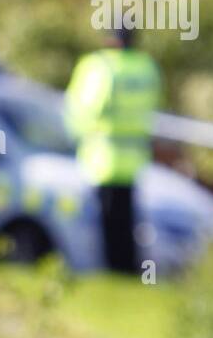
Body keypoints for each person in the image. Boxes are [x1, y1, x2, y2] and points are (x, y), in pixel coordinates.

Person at [65, 27, 161, 273]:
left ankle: (110, 269)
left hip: (102, 156)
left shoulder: (100, 67)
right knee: (127, 218)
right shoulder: (145, 67)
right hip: (133, 157)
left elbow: (83, 109)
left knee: (105, 220)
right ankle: (128, 268)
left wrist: (73, 136)